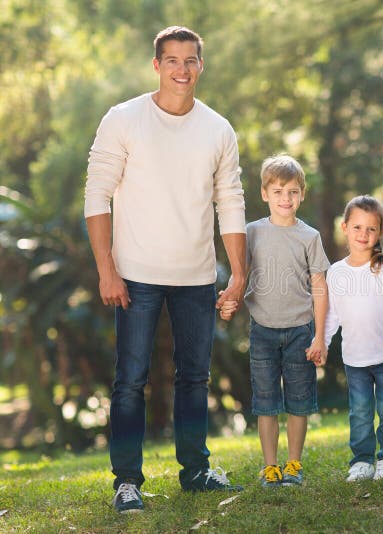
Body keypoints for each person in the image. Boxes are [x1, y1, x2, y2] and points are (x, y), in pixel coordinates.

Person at [84, 26, 246, 513]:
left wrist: (237, 273)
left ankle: (195, 471)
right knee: (130, 380)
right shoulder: (124, 119)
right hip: (135, 274)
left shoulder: (219, 129)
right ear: (157, 65)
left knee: (195, 378)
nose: (181, 69)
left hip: (196, 276)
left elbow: (230, 202)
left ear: (201, 65)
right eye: (172, 60)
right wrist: (106, 270)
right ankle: (127, 482)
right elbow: (96, 194)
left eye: (190, 60)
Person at [220, 155, 329, 488]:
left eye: (293, 192)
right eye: (279, 191)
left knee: (298, 403)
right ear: (265, 193)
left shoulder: (309, 236)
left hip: (300, 331)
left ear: (302, 195)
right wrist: (229, 301)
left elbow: (320, 288)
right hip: (262, 332)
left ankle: (293, 465)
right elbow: (240, 275)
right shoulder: (251, 232)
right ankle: (271, 467)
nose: (286, 198)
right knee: (265, 403)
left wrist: (320, 337)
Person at [323, 196, 383, 482]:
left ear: (380, 233)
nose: (363, 234)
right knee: (360, 412)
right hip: (355, 359)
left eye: (371, 229)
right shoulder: (336, 272)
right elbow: (332, 316)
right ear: (345, 227)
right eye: (357, 227)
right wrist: (322, 344)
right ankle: (361, 461)